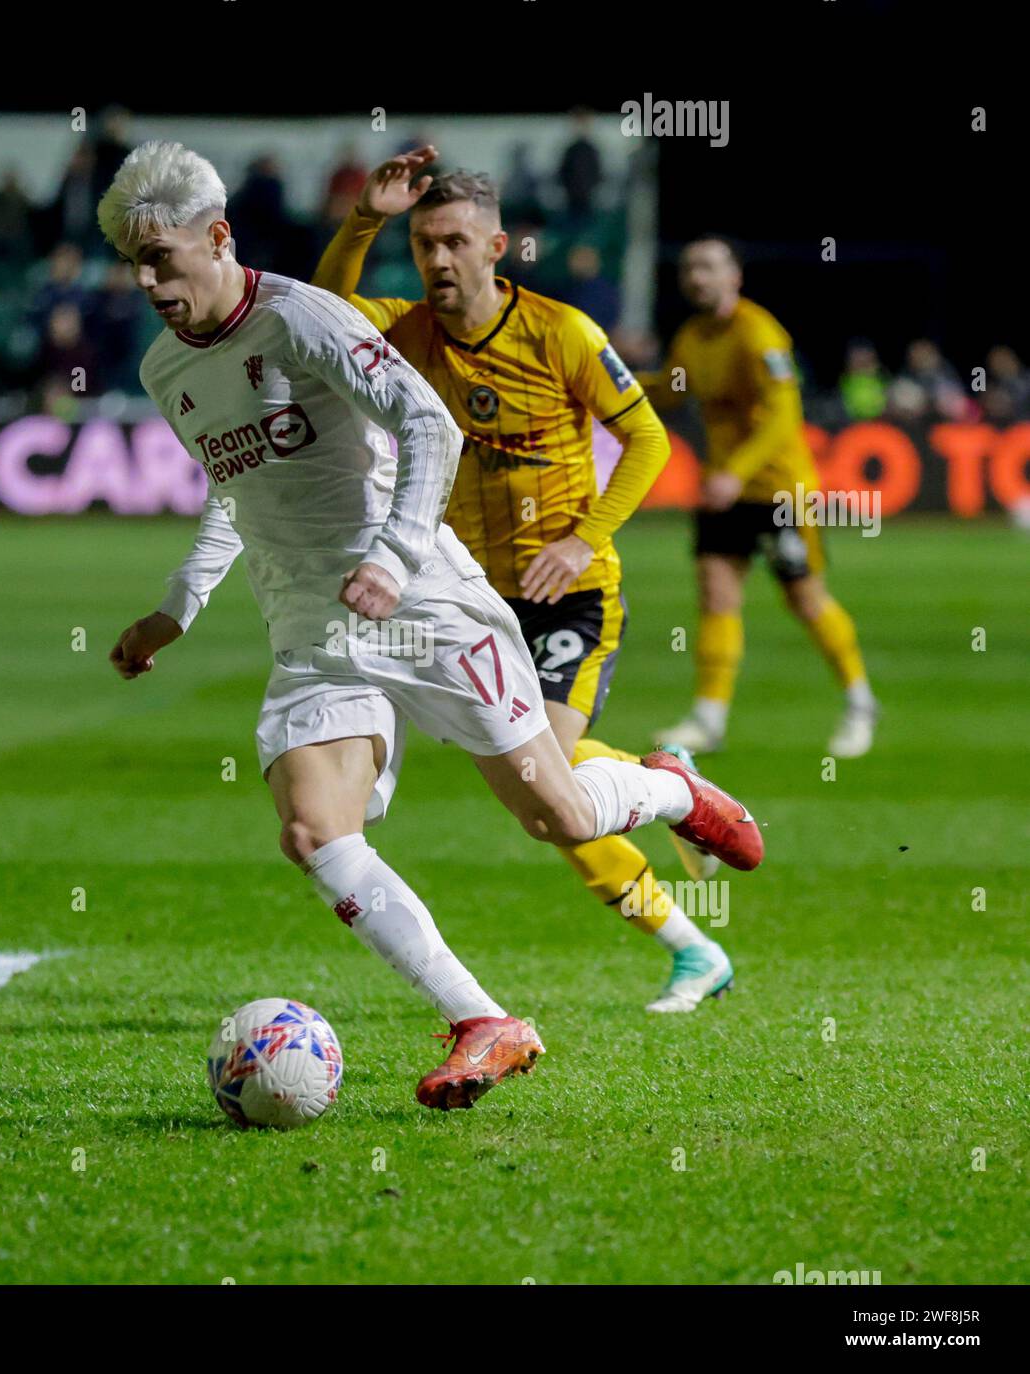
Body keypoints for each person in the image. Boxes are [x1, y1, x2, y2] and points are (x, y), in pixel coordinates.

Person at [100, 142, 764, 1112]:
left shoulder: (302, 318)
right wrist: (176, 607)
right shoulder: (167, 367)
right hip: (313, 629)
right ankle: (482, 1020)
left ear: (218, 236)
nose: (150, 281)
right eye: (135, 263)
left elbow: (428, 427)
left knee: (557, 816)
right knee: (311, 831)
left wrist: (394, 556)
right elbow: (235, 488)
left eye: (162, 257)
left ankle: (666, 789)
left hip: (423, 608)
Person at [312, 147, 735, 1014]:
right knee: (548, 803)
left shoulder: (563, 331)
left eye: (455, 242)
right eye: (424, 243)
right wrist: (366, 219)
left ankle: (684, 885)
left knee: (557, 778)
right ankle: (685, 898)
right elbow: (326, 312)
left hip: (569, 595)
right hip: (473, 600)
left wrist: (584, 540)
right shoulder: (406, 332)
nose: (436, 260)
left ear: (496, 246)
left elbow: (648, 438)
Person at [643, 237, 878, 759]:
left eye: (708, 267)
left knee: (805, 598)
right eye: (689, 268)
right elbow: (669, 392)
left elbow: (783, 415)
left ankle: (859, 701)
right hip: (725, 490)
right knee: (716, 594)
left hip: (777, 491)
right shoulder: (692, 337)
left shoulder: (759, 333)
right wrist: (606, 385)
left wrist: (736, 471)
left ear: (734, 277)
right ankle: (709, 716)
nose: (696, 277)